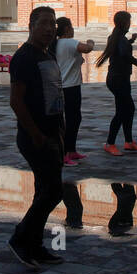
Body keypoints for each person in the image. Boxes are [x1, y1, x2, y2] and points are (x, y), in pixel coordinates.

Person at [6, 6, 66, 268]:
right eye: (44, 23)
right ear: (31, 25)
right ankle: (20, 238)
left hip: (53, 133)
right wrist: (37, 135)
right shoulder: (24, 57)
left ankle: (35, 244)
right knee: (53, 192)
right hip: (35, 136)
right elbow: (16, 102)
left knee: (44, 191)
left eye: (53, 24)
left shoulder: (48, 53)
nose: (50, 28)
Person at [95, 10, 137, 155]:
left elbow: (121, 48)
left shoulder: (116, 36)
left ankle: (128, 141)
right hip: (118, 80)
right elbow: (125, 55)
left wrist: (131, 41)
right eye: (129, 21)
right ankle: (110, 143)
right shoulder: (119, 38)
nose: (130, 24)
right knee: (124, 111)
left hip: (118, 79)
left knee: (127, 109)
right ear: (124, 23)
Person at [53, 17, 95, 165]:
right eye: (71, 26)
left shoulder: (55, 44)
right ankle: (65, 154)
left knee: (73, 119)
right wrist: (91, 41)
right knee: (71, 120)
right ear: (66, 29)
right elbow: (88, 48)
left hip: (63, 87)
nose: (73, 29)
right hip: (70, 87)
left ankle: (71, 150)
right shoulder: (69, 42)